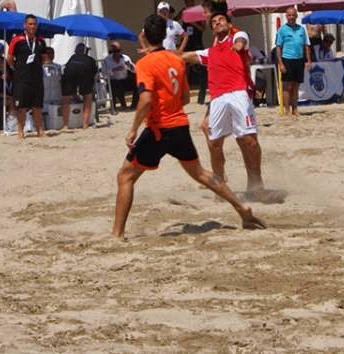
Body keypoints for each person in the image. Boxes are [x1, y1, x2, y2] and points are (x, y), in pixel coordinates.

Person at [112, 13, 265, 238]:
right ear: (165, 34)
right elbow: (184, 98)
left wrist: (134, 128)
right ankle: (242, 208)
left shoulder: (145, 63)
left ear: (145, 34)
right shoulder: (175, 61)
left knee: (125, 176)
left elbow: (145, 100)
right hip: (180, 126)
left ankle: (117, 233)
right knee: (202, 173)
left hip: (158, 129)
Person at [182, 8, 266, 198]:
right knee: (214, 142)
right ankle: (219, 182)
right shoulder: (209, 52)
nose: (218, 22)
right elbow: (185, 56)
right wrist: (159, 53)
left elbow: (242, 41)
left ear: (229, 24)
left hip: (239, 93)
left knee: (249, 141)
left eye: (221, 20)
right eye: (214, 22)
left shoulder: (238, 35)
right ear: (211, 29)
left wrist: (239, 43)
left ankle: (256, 182)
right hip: (218, 97)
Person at [8, 14, 46, 137]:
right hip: (21, 78)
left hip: (37, 77)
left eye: (34, 24)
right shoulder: (17, 40)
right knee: (22, 107)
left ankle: (40, 131)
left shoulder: (41, 40)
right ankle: (20, 131)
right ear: (25, 25)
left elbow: (44, 57)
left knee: (37, 106)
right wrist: (16, 68)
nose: (32, 26)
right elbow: (9, 58)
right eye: (30, 24)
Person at [275, 6, 311, 116]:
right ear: (286, 16)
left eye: (293, 15)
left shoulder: (301, 29)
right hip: (287, 60)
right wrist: (280, 63)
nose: (291, 17)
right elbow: (278, 47)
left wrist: (308, 60)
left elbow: (306, 45)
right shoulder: (282, 30)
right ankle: (287, 110)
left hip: (299, 60)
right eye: (289, 15)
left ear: (296, 16)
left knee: (296, 86)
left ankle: (295, 109)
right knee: (287, 87)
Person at [61, 43, 99, 130]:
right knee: (87, 97)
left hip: (69, 74)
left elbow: (67, 69)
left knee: (66, 99)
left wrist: (75, 94)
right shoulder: (90, 59)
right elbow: (94, 74)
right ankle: (85, 125)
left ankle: (65, 125)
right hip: (85, 73)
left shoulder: (72, 57)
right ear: (86, 51)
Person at [104, 41, 137, 110]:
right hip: (113, 81)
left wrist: (130, 65)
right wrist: (113, 70)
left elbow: (134, 70)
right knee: (116, 83)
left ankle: (134, 104)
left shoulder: (125, 58)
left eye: (118, 51)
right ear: (112, 51)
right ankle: (123, 104)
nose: (117, 53)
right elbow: (104, 73)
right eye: (115, 51)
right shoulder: (107, 60)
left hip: (124, 80)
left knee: (138, 82)